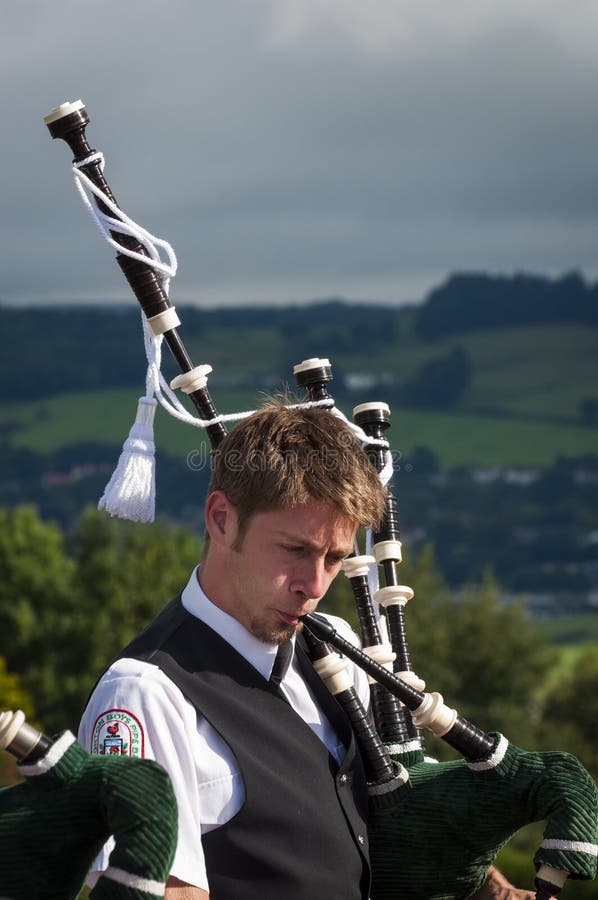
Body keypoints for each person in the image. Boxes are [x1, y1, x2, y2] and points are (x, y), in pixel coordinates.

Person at [79, 402, 387, 899]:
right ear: (221, 519)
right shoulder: (144, 695)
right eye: (295, 550)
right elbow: (160, 892)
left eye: (335, 559)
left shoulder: (337, 648)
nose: (314, 585)